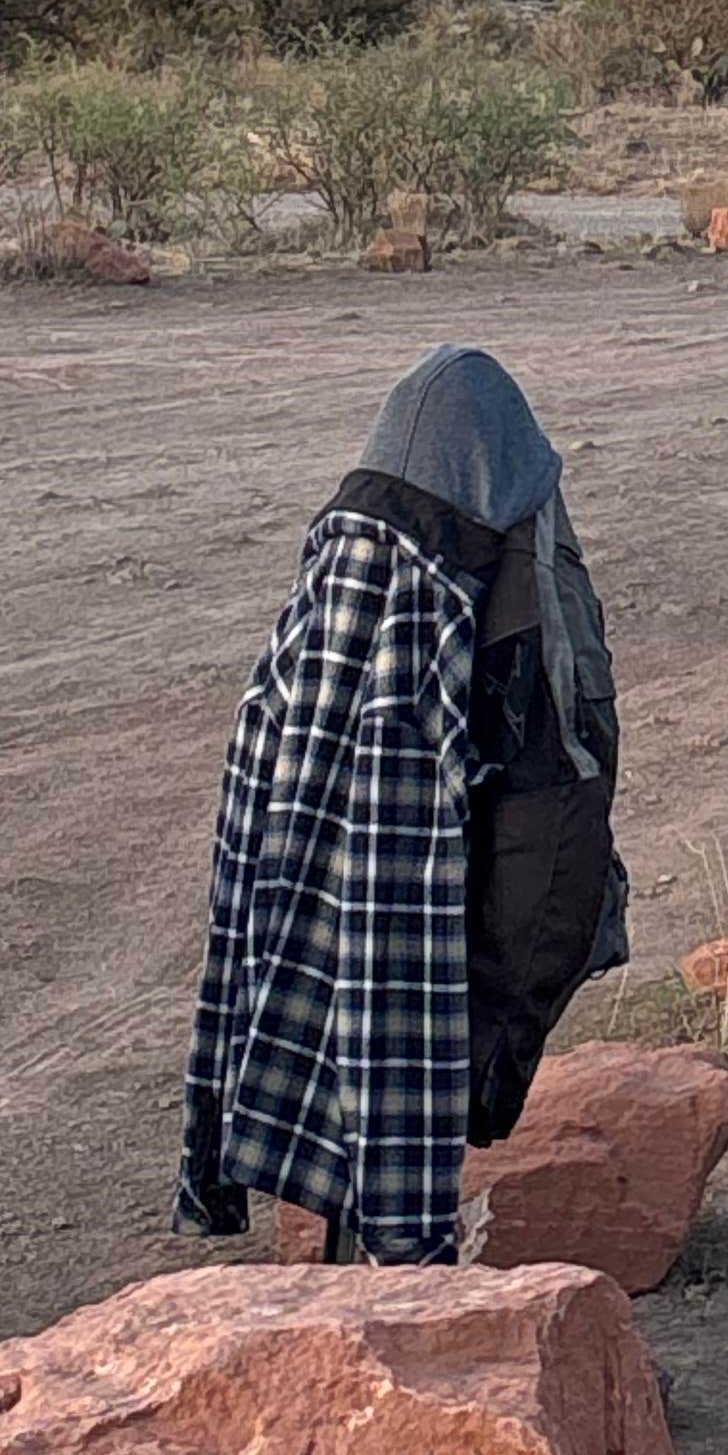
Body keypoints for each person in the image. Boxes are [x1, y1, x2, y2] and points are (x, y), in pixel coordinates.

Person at [177, 344, 628, 1267]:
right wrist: (494, 1059)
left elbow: (241, 877)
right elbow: (556, 840)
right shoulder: (504, 599)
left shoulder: (317, 619)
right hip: (448, 990)